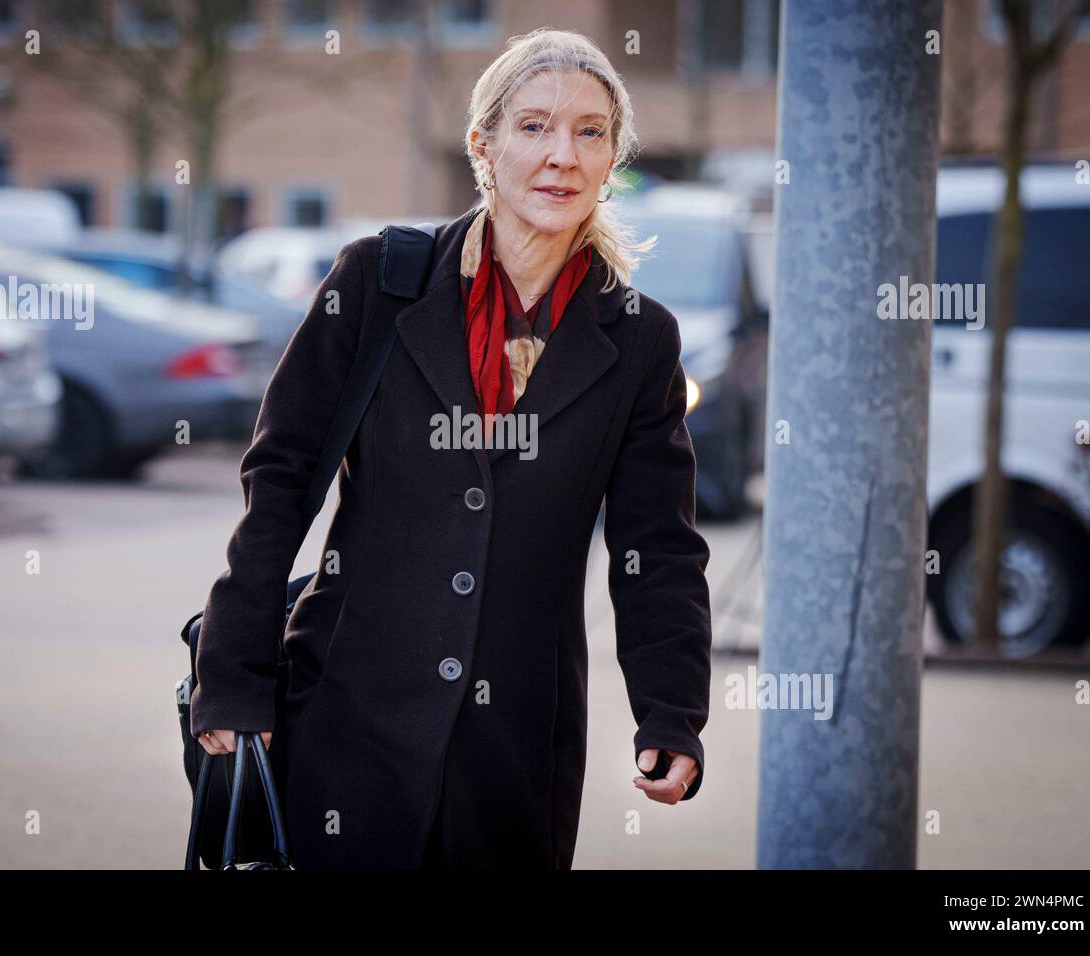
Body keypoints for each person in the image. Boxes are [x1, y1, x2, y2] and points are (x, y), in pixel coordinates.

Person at [191, 27, 712, 870]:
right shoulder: (376, 284)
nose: (561, 156)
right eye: (535, 126)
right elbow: (280, 479)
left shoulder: (639, 337)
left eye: (589, 132)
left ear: (613, 158)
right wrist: (234, 668)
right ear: (484, 144)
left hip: (516, 750)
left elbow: (657, 546)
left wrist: (671, 707)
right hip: (348, 714)